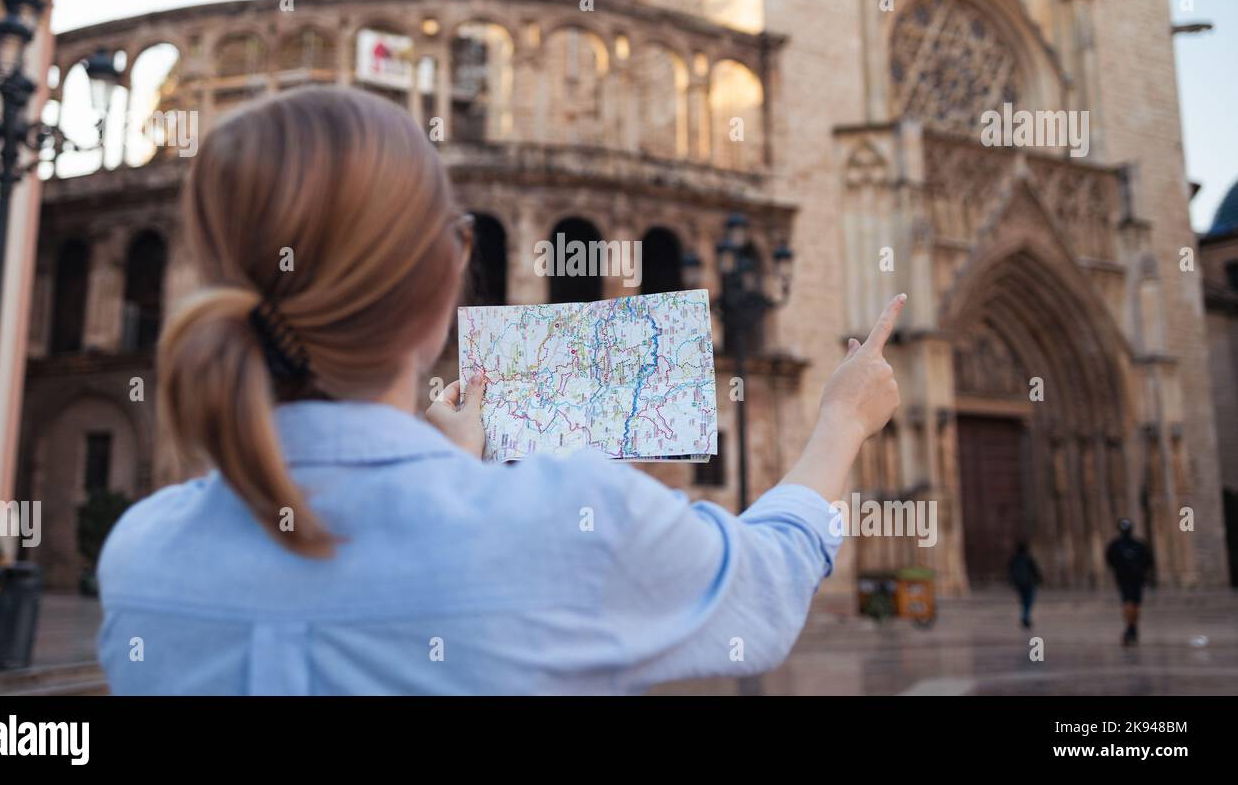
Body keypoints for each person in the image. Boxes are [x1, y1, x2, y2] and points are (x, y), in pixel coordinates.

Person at [96, 87, 904, 694]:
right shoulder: (570, 521)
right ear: (448, 278)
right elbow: (765, 586)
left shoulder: (140, 552)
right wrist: (841, 420)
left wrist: (454, 468)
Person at [1105, 518, 1153, 646]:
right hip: (1136, 579)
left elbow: (1109, 561)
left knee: (1128, 603)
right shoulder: (1139, 545)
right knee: (1134, 604)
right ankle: (1132, 628)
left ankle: (1131, 627)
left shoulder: (1115, 545)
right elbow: (1148, 561)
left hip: (1124, 578)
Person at [1007, 541, 1041, 628]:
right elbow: (1035, 570)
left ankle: (1024, 617)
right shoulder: (1029, 558)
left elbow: (1010, 571)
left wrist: (1013, 581)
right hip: (1029, 583)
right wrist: (1039, 579)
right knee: (1028, 602)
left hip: (1019, 584)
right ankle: (1025, 618)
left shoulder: (1014, 559)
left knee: (1024, 602)